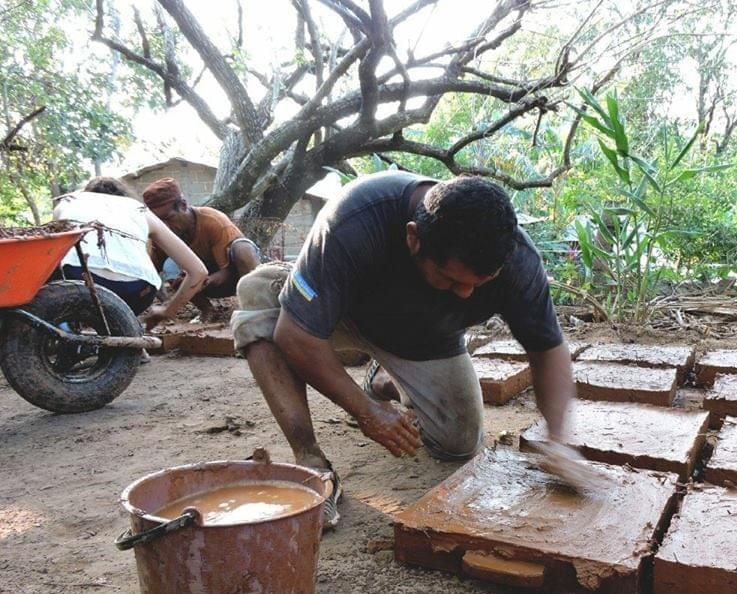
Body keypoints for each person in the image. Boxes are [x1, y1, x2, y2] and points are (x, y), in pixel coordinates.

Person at [231, 171, 575, 529]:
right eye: (451, 279)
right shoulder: (355, 218)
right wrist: (365, 411)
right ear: (413, 238)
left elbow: (547, 349)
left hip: (424, 339)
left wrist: (559, 440)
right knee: (257, 291)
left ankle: (384, 378)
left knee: (458, 443)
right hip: (336, 316)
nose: (465, 294)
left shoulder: (519, 261)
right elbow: (294, 335)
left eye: (479, 284)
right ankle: (310, 462)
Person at [54, 177, 208, 331]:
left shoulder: (68, 203)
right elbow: (198, 271)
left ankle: (61, 328)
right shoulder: (139, 209)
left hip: (80, 281)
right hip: (136, 292)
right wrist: (168, 311)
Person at [142, 177, 261, 320]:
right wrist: (167, 304)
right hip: (202, 284)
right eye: (158, 222)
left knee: (242, 248)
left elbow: (228, 271)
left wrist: (206, 280)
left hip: (234, 277)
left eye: (168, 218)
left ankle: (255, 307)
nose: (165, 226)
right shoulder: (160, 234)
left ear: (183, 205)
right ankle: (206, 309)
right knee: (171, 269)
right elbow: (150, 274)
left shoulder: (212, 220)